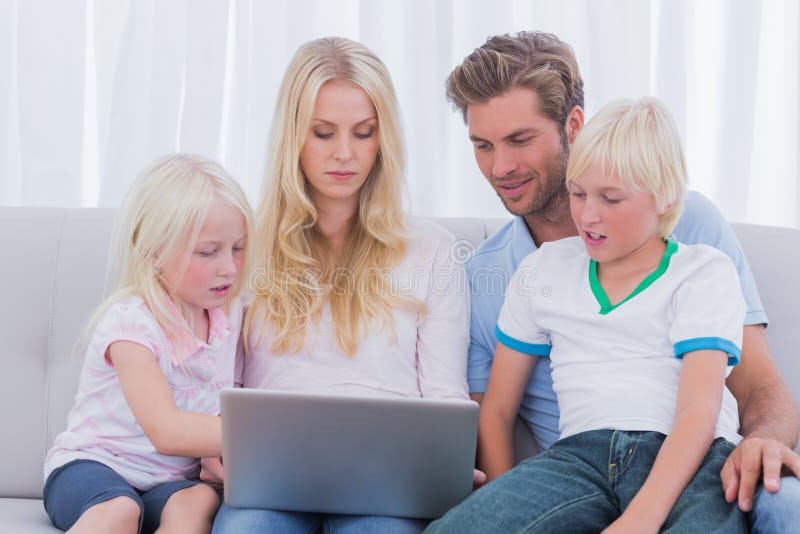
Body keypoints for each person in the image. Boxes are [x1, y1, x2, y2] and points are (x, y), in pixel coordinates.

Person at [441, 31, 800, 532]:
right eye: (482, 145)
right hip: (577, 468)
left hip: (693, 460)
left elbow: (753, 386)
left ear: (573, 125)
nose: (500, 167)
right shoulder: (491, 275)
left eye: (520, 140)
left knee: (784, 503)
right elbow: (491, 417)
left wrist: (765, 441)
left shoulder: (693, 235)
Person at [209, 37, 469, 534]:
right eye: (323, 133)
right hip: (270, 480)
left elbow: (445, 396)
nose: (345, 154)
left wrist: (447, 468)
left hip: (388, 486)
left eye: (364, 133)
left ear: (383, 137)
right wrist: (214, 450)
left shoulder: (433, 249)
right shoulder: (244, 243)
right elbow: (220, 381)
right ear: (293, 137)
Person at [43, 154, 253, 534]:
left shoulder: (230, 316)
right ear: (155, 252)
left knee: (201, 500)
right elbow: (167, 430)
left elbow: (230, 403)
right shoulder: (131, 324)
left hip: (168, 484)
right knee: (120, 509)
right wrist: (266, 437)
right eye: (209, 252)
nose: (230, 268)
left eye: (237, 248)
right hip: (93, 466)